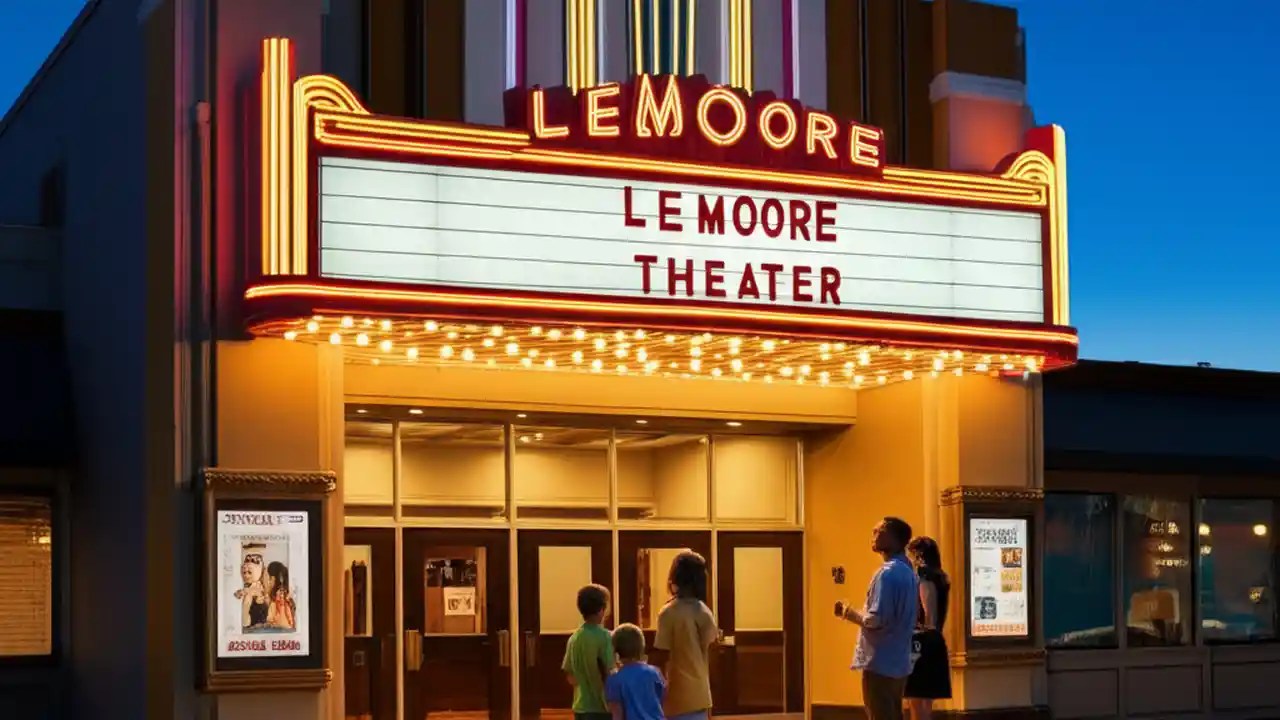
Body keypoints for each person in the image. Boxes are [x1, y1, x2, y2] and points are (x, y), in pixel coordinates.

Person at [836, 517, 919, 720]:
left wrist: (848, 612)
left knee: (880, 714)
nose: (873, 535)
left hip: (880, 661)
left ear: (893, 538)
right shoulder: (908, 573)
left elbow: (875, 620)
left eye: (879, 531)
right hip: (898, 661)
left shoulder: (886, 574)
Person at [654, 550, 718, 720]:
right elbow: (710, 651)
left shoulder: (667, 613)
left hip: (674, 694)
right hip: (700, 694)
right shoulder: (704, 612)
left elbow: (662, 655)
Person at [904, 536, 952, 720]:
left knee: (916, 696)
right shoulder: (941, 577)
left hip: (922, 641)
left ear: (919, 555)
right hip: (935, 641)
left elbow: (928, 612)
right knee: (926, 699)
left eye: (911, 554)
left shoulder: (924, 576)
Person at [563, 584, 615, 720]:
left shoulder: (574, 638)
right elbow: (609, 670)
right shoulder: (606, 637)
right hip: (602, 706)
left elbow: (570, 676)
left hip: (580, 705)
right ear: (601, 610)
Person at [605, 623, 666, 720]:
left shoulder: (615, 679)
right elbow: (662, 702)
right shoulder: (655, 672)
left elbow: (617, 714)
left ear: (616, 649)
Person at [236, 553, 268, 629]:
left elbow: (250, 592)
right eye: (244, 572)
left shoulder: (257, 586)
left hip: (256, 622)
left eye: (250, 572)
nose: (246, 576)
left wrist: (243, 592)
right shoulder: (248, 586)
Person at [265, 561, 297, 630]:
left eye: (267, 578)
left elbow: (283, 625)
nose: (264, 582)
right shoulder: (275, 600)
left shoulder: (280, 599)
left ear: (273, 579)